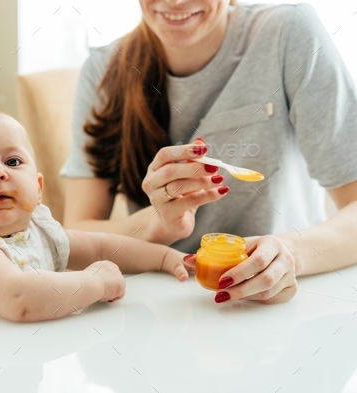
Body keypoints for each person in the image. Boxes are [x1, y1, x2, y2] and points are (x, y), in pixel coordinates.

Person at [61, 0, 357, 305]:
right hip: (161, 308)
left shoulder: (287, 33)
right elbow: (75, 236)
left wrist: (289, 253)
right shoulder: (105, 68)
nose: (175, 2)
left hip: (283, 302)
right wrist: (158, 225)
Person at [0, 109, 189, 339]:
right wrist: (97, 281)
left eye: (12, 162)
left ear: (38, 188)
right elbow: (20, 299)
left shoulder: (41, 233)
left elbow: (101, 245)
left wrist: (164, 257)